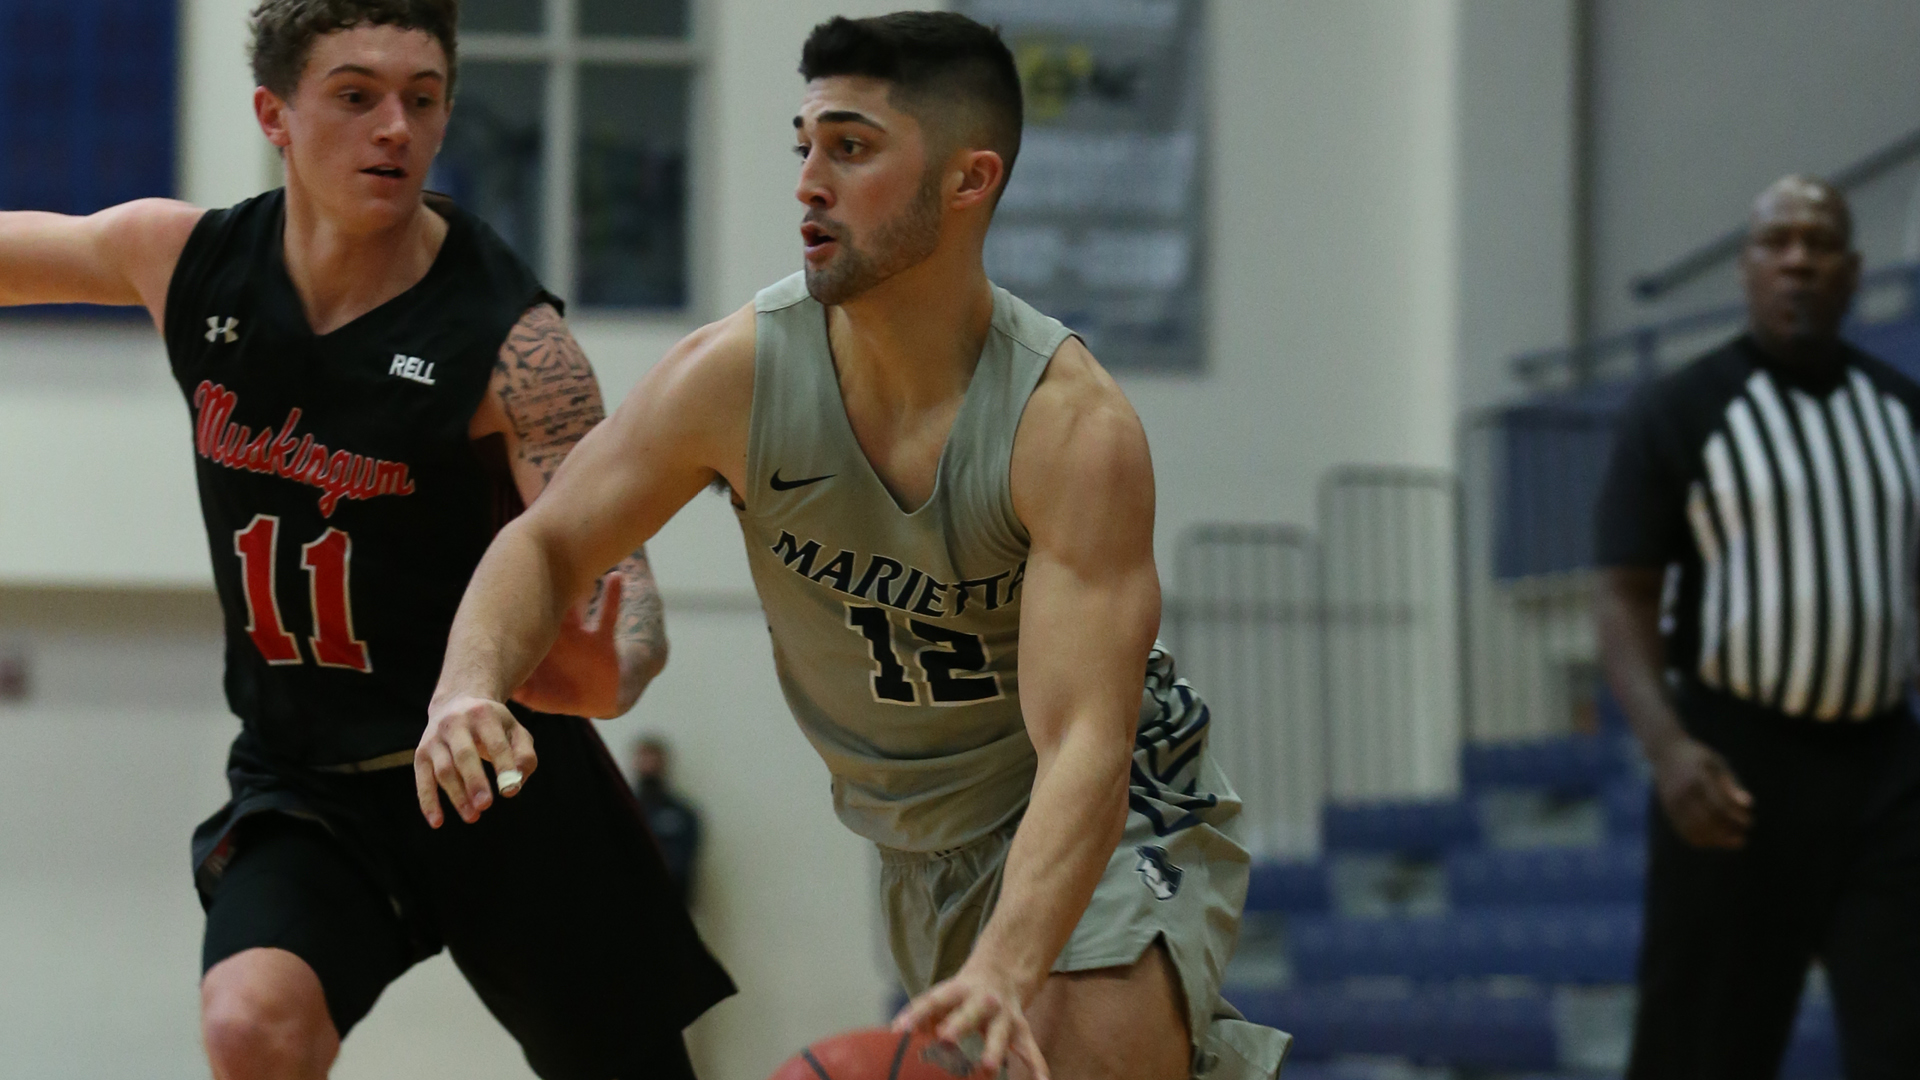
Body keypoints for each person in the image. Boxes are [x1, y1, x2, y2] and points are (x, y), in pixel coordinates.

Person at [419, 12, 1291, 1080]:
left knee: (1073, 1059)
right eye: (804, 146)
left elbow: (1085, 750)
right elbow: (547, 545)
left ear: (970, 181)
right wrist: (467, 687)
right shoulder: (734, 378)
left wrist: (1015, 964)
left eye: (852, 146)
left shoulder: (1071, 430)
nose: (808, 183)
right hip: (916, 845)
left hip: (1100, 804)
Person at [0, 2, 734, 1077]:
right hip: (309, 781)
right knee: (251, 1023)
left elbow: (629, 595)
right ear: (275, 115)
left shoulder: (517, 346)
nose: (396, 126)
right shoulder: (189, 263)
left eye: (422, 100)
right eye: (356, 95)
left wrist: (606, 673)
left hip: (500, 771)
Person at [1596, 175, 1920, 1079]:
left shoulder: (1903, 413)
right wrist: (1667, 750)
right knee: (1703, 1048)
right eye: (1776, 244)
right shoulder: (1682, 411)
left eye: (1819, 245)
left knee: (1905, 1036)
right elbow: (1622, 596)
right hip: (1735, 766)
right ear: (1745, 269)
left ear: (1853, 271)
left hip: (1886, 772)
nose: (1797, 263)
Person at [632, 735, 702, 906]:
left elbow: (685, 860)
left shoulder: (682, 813)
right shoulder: (620, 807)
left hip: (672, 900)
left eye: (653, 758)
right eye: (644, 758)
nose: (649, 764)